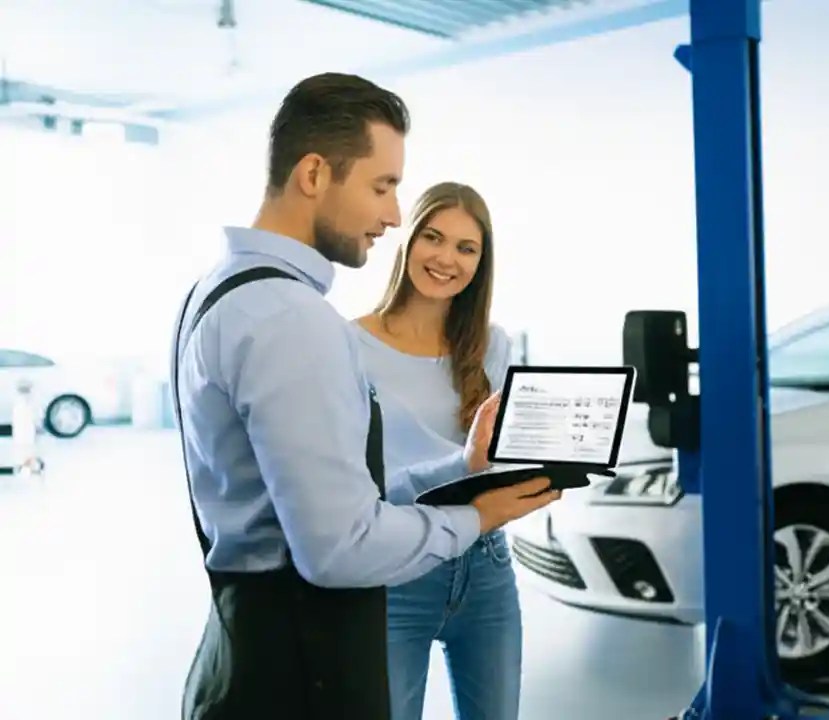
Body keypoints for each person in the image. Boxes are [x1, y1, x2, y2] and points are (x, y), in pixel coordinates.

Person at [170, 73, 561, 720]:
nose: (392, 213)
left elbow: (340, 489)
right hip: (297, 663)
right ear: (315, 173)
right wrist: (479, 516)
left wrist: (463, 469)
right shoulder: (295, 320)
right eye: (382, 186)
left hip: (243, 648)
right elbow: (341, 546)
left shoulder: (218, 292)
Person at [354, 181, 521, 720]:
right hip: (398, 569)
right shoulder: (348, 345)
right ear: (408, 242)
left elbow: (498, 456)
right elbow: (360, 485)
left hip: (487, 565)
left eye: (466, 248)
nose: (447, 258)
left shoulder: (494, 345)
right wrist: (464, 463)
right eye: (433, 237)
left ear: (481, 261)